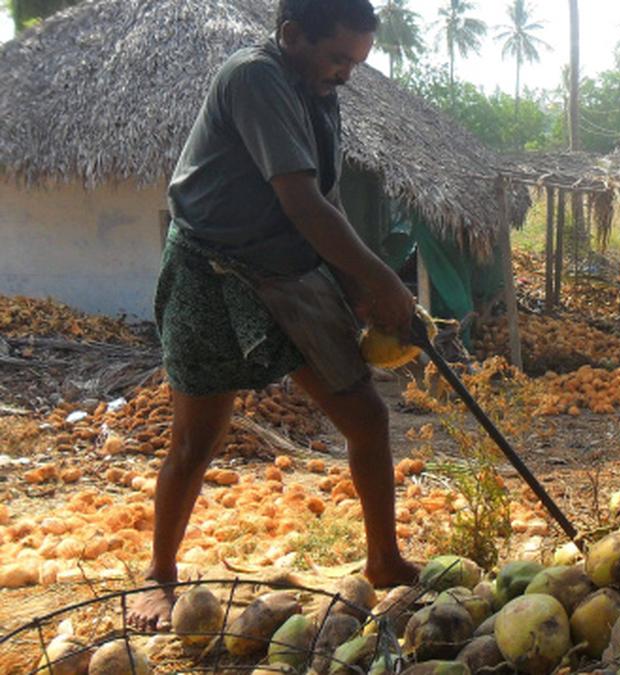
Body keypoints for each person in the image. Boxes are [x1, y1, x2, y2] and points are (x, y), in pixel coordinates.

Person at [127, 0, 419, 631]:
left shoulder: (321, 91)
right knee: (197, 439)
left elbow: (328, 199)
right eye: (338, 57)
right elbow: (302, 203)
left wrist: (355, 287)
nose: (346, 73)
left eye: (356, 62)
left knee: (367, 416)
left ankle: (384, 560)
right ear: (291, 35)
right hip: (210, 269)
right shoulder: (253, 77)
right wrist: (381, 278)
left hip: (288, 273)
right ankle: (158, 574)